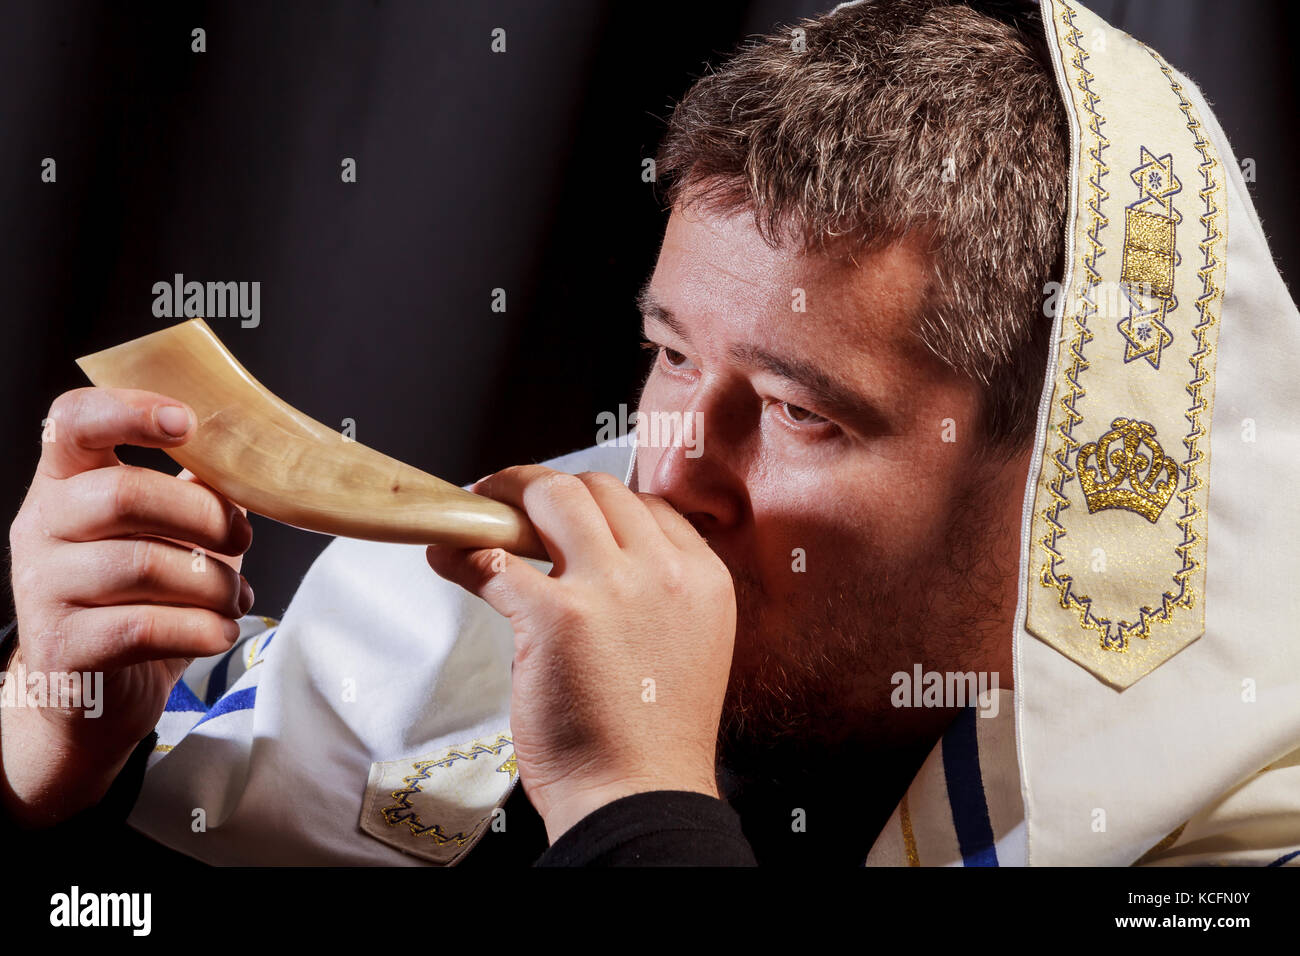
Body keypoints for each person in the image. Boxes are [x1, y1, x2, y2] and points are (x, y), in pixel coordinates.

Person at [3, 0, 1298, 867]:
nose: (668, 468)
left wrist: (634, 802)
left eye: (801, 413)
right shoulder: (443, 636)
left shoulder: (1248, 833)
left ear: (1069, 496)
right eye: (674, 353)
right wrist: (58, 765)